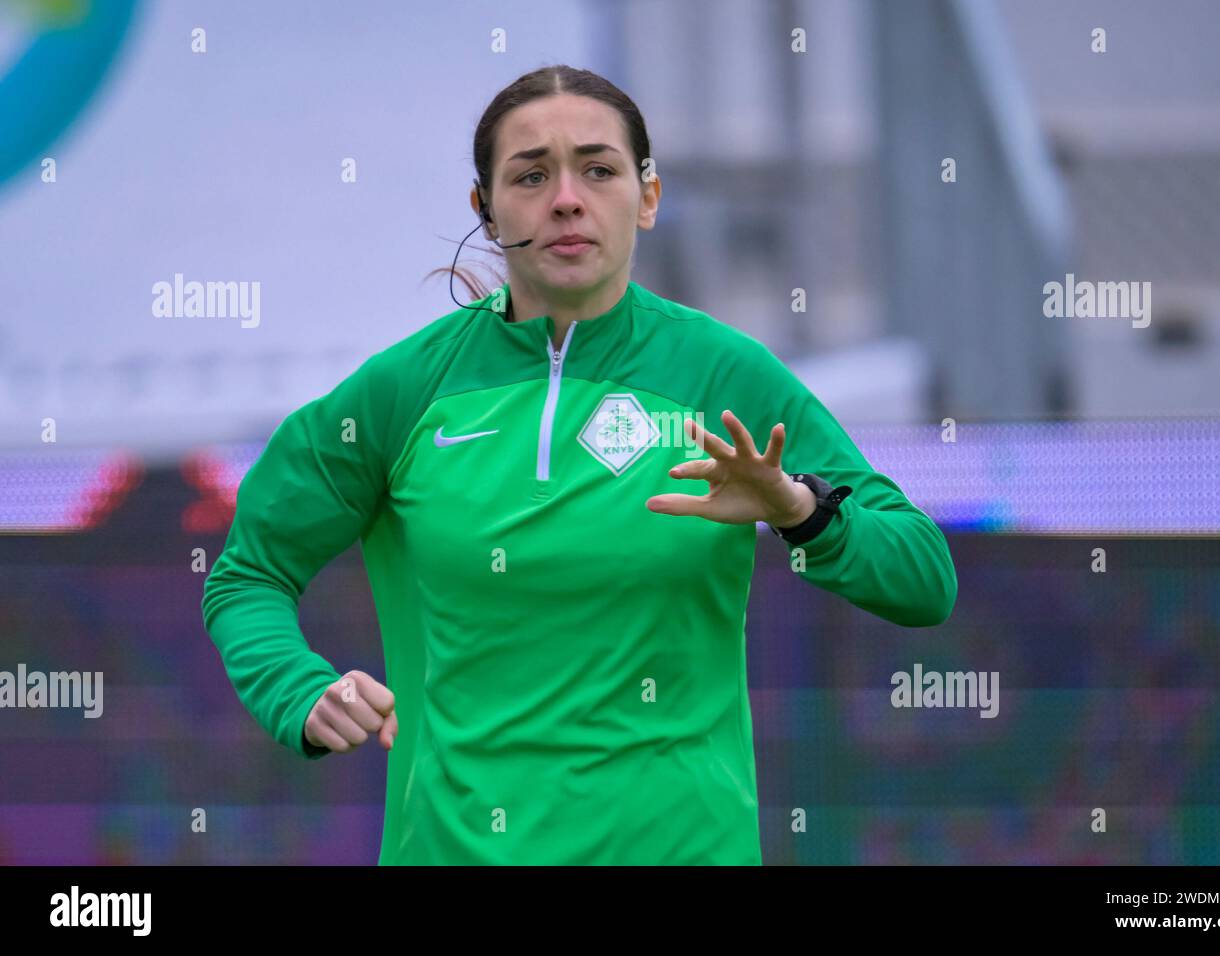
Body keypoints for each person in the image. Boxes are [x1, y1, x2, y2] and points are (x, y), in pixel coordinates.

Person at [201, 64, 957, 866]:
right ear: (486, 212)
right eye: (531, 175)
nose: (567, 197)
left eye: (598, 169)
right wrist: (298, 690)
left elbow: (923, 580)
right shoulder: (402, 391)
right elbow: (248, 576)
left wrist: (803, 509)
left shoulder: (727, 376)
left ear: (649, 196)